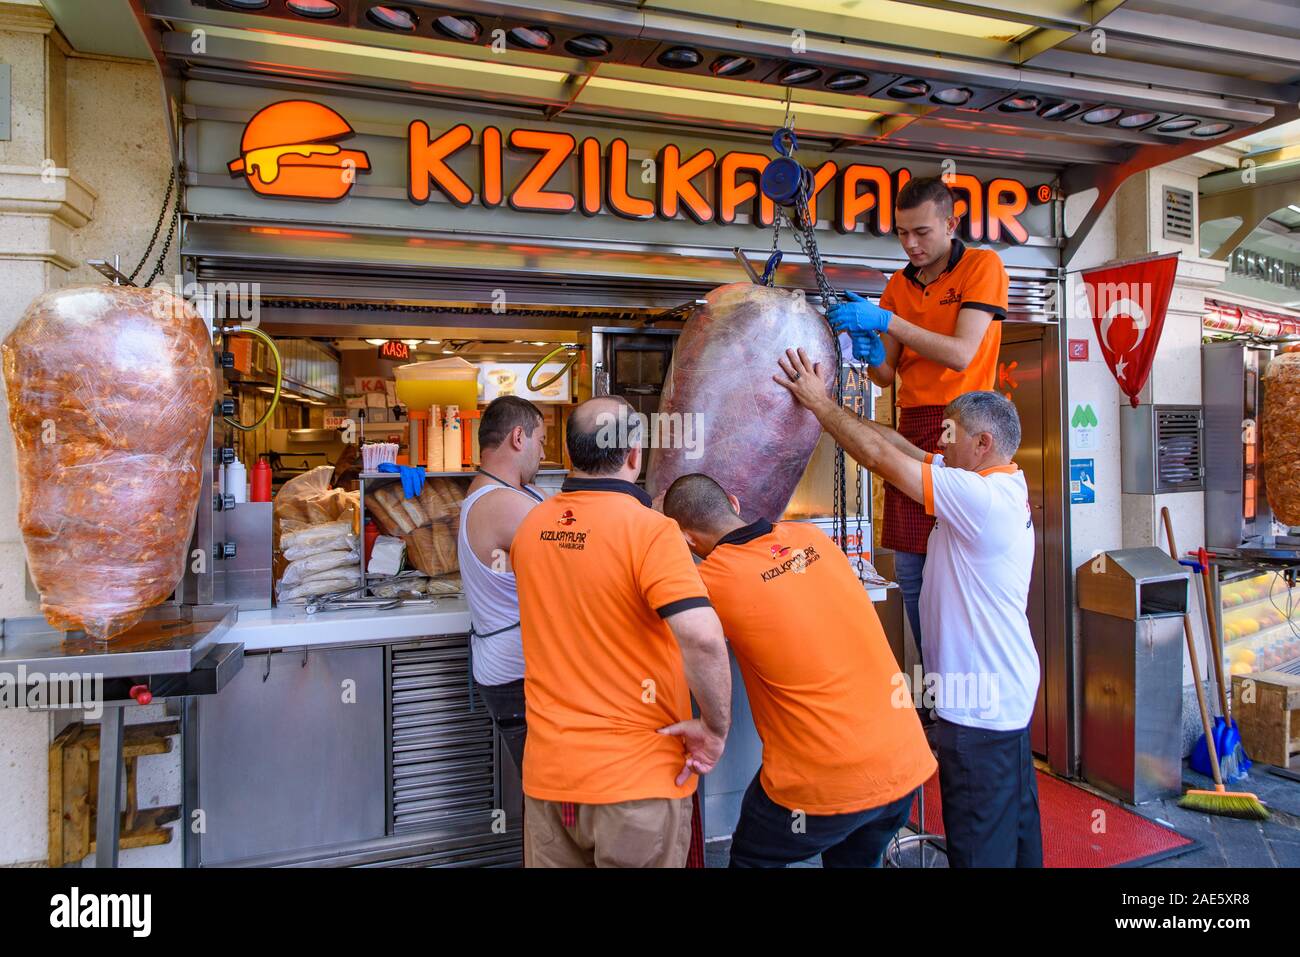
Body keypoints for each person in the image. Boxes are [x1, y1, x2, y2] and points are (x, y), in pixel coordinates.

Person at [775, 348, 1041, 868]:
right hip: (1005, 695)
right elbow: (896, 446)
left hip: (978, 708)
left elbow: (880, 461)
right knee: (1015, 831)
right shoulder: (996, 480)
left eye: (950, 433)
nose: (939, 443)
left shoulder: (978, 498)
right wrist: (833, 403)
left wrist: (816, 406)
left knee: (978, 843)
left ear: (982, 443)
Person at [663, 473, 935, 868]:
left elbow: (688, 636)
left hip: (823, 785)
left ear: (686, 539)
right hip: (903, 765)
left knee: (752, 858)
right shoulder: (812, 540)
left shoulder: (711, 580)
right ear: (735, 503)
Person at [510, 395, 732, 868]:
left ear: (570, 455)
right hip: (634, 785)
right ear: (634, 455)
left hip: (551, 784)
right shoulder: (652, 531)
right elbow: (704, 637)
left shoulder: (531, 527)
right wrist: (715, 729)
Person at [827, 176, 1010, 676]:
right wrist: (864, 348)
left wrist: (885, 323)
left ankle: (964, 688)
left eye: (922, 232)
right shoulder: (897, 285)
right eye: (903, 234)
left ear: (951, 224)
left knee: (958, 571)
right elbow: (886, 376)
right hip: (912, 420)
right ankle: (936, 691)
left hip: (966, 423)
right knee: (911, 570)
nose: (911, 244)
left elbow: (959, 354)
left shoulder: (982, 266)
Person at [456, 396, 548, 772]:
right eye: (541, 440)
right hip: (516, 676)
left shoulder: (500, 494)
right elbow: (578, 559)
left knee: (553, 799)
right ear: (517, 438)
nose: (544, 452)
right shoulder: (502, 504)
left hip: (511, 671)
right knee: (550, 800)